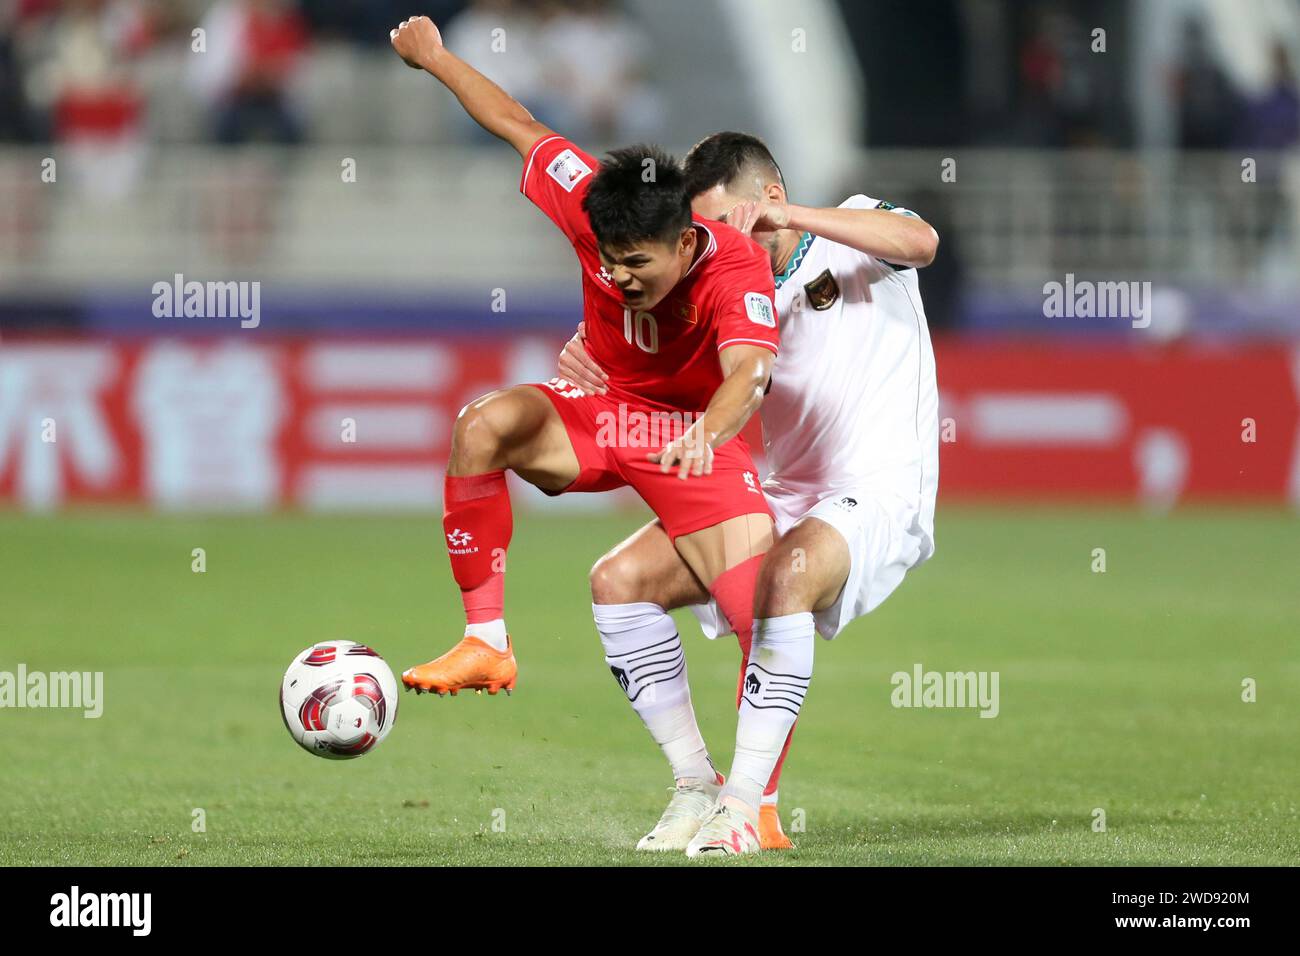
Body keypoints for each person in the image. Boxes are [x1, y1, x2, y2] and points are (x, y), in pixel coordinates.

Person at [388, 20, 788, 853]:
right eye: (607, 261)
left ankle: (747, 805)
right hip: (605, 412)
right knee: (482, 426)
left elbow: (748, 373)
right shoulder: (591, 199)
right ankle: (486, 641)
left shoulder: (735, 267)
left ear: (686, 241)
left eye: (637, 263)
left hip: (693, 435)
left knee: (756, 608)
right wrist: (435, 59)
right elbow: (518, 125)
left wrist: (708, 435)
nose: (619, 278)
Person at [559, 132, 940, 856]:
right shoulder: (730, 289)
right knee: (619, 580)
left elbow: (920, 241)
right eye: (703, 232)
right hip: (786, 493)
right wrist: (596, 355)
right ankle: (695, 785)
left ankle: (749, 807)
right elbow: (666, 363)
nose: (722, 243)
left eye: (732, 222)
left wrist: (792, 216)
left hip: (881, 492)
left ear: (768, 200)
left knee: (781, 579)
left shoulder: (853, 230)